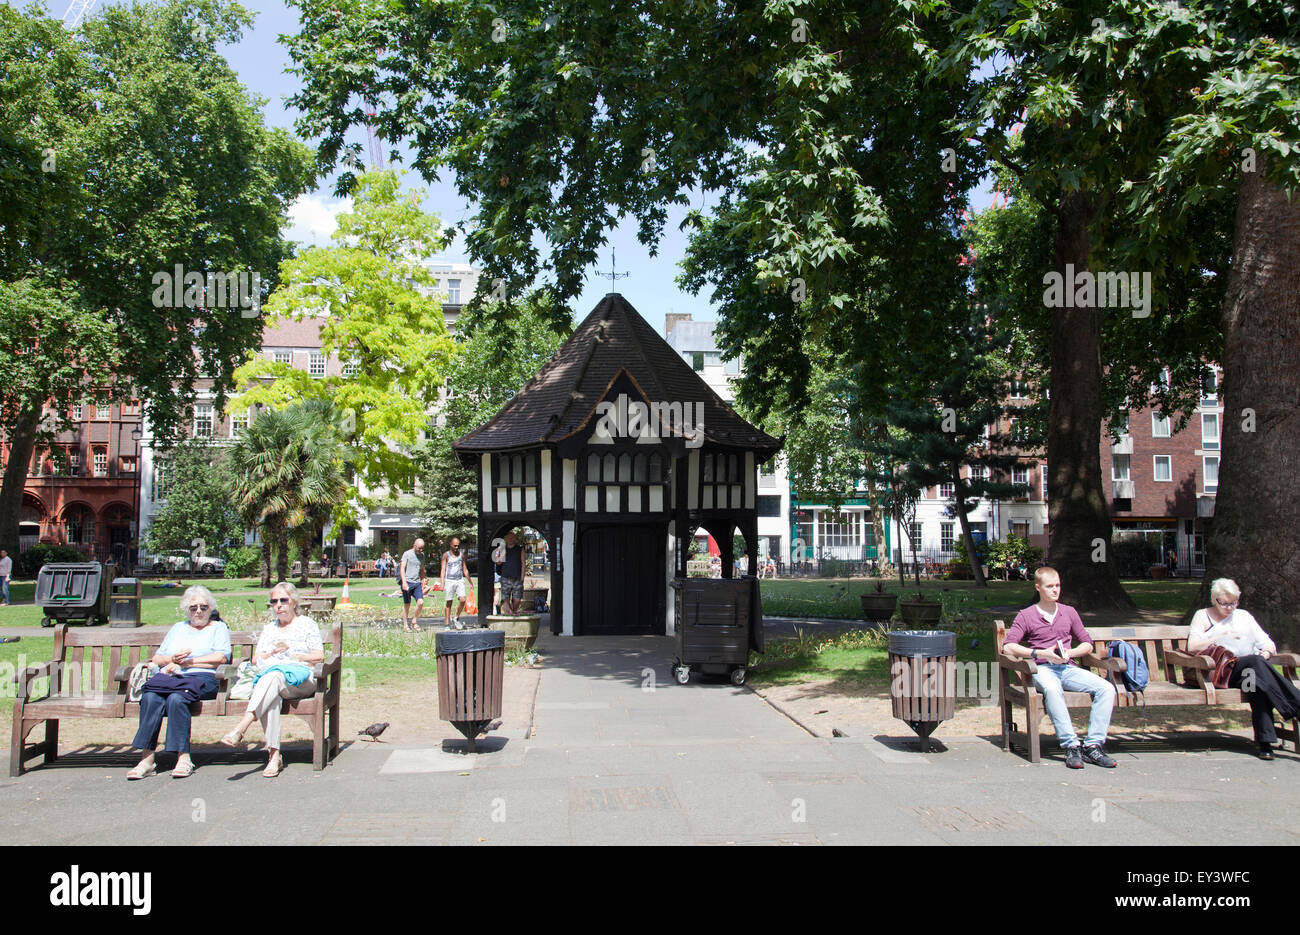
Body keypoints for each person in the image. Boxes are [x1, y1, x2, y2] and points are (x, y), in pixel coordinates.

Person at [1001, 566, 1118, 769]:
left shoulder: (1069, 612)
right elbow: (1009, 646)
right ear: (1038, 587)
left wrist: (1069, 654)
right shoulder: (1027, 615)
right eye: (1049, 586)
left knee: (1106, 688)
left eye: (1057, 586)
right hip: (1041, 668)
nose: (1055, 590)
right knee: (1053, 690)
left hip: (1067, 667)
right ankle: (1071, 746)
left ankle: (1093, 746)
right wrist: (1040, 653)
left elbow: (1087, 643)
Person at [1187, 578, 1300, 760]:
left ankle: (1265, 745)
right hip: (1223, 673)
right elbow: (1191, 647)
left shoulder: (1244, 616)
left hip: (1247, 674)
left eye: (1234, 603)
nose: (1230, 608)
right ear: (1214, 599)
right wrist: (1219, 635)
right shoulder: (1203, 615)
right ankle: (1297, 706)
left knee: (1257, 683)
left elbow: (1267, 643)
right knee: (1255, 665)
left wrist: (1267, 654)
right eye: (1224, 604)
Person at [220, 582, 324, 777]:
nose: (278, 605)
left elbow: (319, 656)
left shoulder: (307, 624)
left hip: (301, 679)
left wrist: (293, 655)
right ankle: (274, 756)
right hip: (273, 680)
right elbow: (256, 659)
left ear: (294, 602)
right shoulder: (270, 629)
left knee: (272, 678)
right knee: (272, 691)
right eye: (274, 601)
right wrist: (271, 653)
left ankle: (242, 727)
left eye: (283, 600)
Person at [128, 586, 231, 779]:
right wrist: (172, 660)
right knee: (150, 696)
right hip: (173, 677)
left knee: (177, 698)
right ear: (187, 609)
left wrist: (190, 662)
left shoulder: (218, 628)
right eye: (193, 608)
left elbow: (222, 657)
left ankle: (183, 758)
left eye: (203, 607)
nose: (198, 611)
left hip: (204, 677)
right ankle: (147, 759)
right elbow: (157, 659)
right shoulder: (178, 628)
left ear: (211, 609)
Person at [399, 538, 425, 632]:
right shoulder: (407, 554)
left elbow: (422, 569)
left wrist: (423, 579)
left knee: (420, 602)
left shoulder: (422, 555)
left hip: (417, 582)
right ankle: (405, 625)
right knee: (407, 604)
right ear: (414, 546)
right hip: (408, 581)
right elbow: (402, 568)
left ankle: (414, 621)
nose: (421, 550)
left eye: (422, 548)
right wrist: (404, 582)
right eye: (419, 548)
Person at [441, 536, 468, 628]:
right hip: (449, 580)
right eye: (455, 546)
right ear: (451, 545)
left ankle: (456, 617)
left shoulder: (461, 555)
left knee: (463, 600)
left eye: (458, 546)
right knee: (449, 602)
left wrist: (470, 580)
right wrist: (442, 583)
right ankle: (447, 623)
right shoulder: (446, 555)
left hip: (459, 580)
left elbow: (464, 568)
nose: (456, 548)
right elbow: (443, 569)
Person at [499, 530, 526, 616]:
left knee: (517, 599)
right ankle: (510, 615)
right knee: (505, 598)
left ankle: (512, 612)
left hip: (517, 577)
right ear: (506, 539)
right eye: (509, 538)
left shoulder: (520, 549)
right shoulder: (502, 549)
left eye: (512, 537)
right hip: (505, 577)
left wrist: (522, 577)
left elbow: (523, 563)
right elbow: (498, 562)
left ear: (515, 538)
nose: (510, 539)